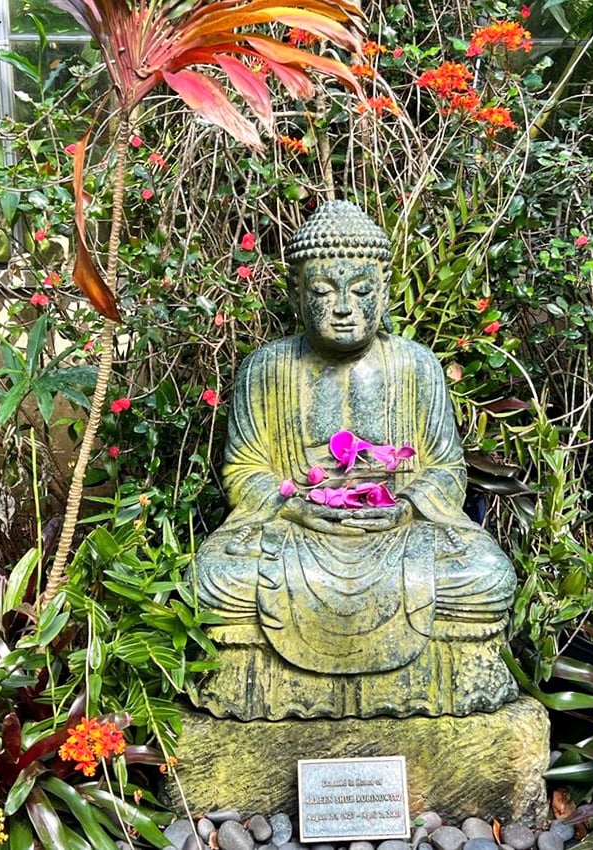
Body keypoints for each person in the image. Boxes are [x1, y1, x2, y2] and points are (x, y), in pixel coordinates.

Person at [192, 200, 517, 715]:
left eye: (360, 290)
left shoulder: (416, 365)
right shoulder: (266, 368)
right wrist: (295, 506)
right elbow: (244, 468)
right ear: (298, 295)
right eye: (323, 291)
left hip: (399, 530)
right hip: (297, 530)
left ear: (383, 291)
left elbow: (446, 467)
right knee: (217, 580)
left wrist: (407, 504)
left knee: (485, 576)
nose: (343, 305)